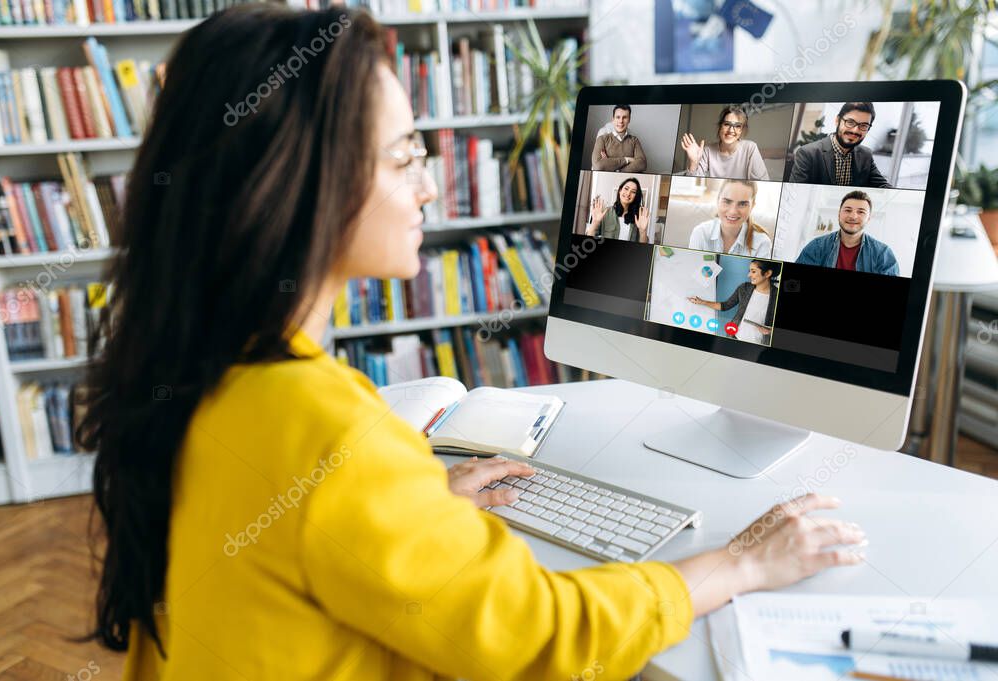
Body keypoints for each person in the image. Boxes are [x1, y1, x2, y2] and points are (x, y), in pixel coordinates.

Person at [83, 7, 866, 680]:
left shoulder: (205, 370)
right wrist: (738, 564)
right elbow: (541, 636)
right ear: (303, 184)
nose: (430, 185)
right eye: (406, 158)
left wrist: (407, 514)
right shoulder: (319, 425)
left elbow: (305, 536)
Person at [789, 102, 893, 188]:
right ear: (837, 120)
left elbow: (882, 186)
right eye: (850, 122)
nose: (855, 130)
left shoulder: (866, 155)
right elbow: (797, 192)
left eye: (863, 126)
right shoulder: (807, 154)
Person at [795, 190, 899, 276]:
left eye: (861, 212)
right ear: (839, 214)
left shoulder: (883, 254)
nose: (853, 216)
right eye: (848, 210)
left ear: (868, 219)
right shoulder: (816, 247)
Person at [689, 260, 779, 345]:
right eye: (749, 271)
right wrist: (702, 302)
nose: (749, 275)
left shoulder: (777, 296)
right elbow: (725, 306)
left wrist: (771, 331)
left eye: (753, 271)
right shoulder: (744, 288)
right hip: (734, 338)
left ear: (767, 273)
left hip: (759, 345)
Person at [680, 105, 770, 180]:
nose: (731, 130)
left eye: (737, 126)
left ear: (742, 130)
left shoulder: (750, 148)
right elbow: (693, 185)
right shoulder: (707, 151)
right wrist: (694, 162)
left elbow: (762, 183)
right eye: (727, 124)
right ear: (720, 126)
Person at [687, 180, 772, 257]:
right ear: (718, 200)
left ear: (752, 206)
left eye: (742, 204)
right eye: (727, 201)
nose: (733, 211)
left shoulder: (762, 243)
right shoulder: (700, 233)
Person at [584, 177, 651, 242]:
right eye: (626, 189)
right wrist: (595, 222)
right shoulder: (605, 213)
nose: (628, 193)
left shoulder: (638, 218)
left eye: (633, 192)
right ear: (620, 191)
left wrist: (643, 231)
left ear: (636, 196)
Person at [591, 104, 647, 172]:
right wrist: (627, 160)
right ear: (613, 119)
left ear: (629, 120)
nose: (621, 121)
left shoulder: (634, 140)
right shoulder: (602, 139)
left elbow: (643, 164)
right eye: (618, 117)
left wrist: (614, 168)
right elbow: (598, 166)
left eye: (625, 117)